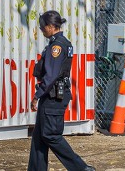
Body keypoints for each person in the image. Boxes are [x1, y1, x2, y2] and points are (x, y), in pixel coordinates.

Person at [28, 10, 95, 171]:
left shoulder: (57, 46)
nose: (42, 30)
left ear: (51, 26)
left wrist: (37, 95)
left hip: (53, 96)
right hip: (51, 95)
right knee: (39, 137)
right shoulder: (57, 42)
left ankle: (81, 168)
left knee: (50, 135)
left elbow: (51, 75)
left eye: (43, 27)